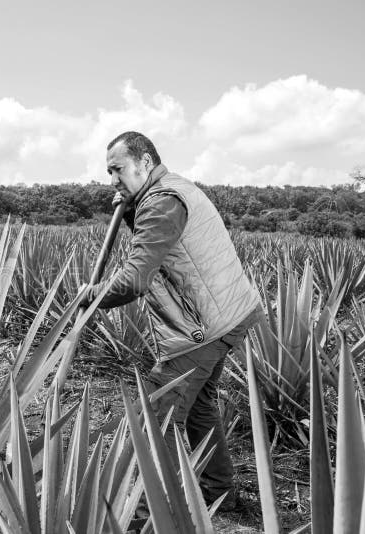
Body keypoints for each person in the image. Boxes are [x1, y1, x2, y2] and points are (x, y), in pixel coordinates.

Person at [81, 131, 262, 511]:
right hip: (228, 315)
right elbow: (163, 244)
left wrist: (92, 296)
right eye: (109, 172)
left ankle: (149, 513)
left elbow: (135, 278)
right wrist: (130, 208)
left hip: (203, 328)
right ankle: (221, 496)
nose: (112, 180)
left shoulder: (161, 201)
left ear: (145, 162)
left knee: (154, 419)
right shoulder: (167, 191)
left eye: (118, 169)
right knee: (199, 408)